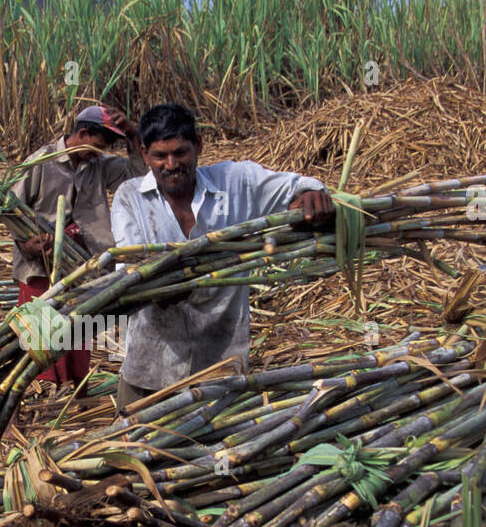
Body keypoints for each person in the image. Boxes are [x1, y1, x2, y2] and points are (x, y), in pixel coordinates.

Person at [110, 102, 333, 408]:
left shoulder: (235, 181)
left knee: (217, 451)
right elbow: (131, 271)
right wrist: (158, 288)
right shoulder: (129, 197)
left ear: (198, 145)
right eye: (160, 156)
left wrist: (311, 193)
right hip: (152, 364)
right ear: (145, 153)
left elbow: (298, 185)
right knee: (135, 448)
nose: (171, 164)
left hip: (220, 362)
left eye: (181, 152)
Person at [11, 105, 145, 391]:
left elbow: (138, 173)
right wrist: (27, 245)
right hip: (41, 263)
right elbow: (11, 207)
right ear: (82, 132)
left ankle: (73, 391)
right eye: (96, 146)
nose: (98, 153)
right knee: (41, 328)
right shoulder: (42, 161)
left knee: (76, 327)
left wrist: (133, 132)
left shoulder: (98, 165)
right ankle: (38, 392)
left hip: (82, 263)